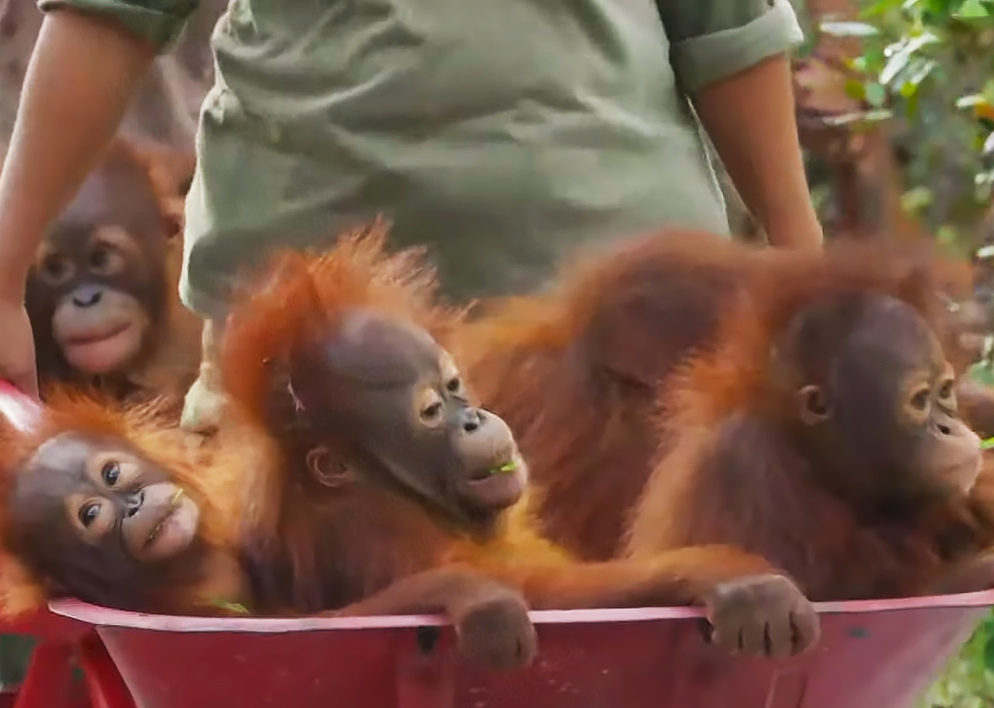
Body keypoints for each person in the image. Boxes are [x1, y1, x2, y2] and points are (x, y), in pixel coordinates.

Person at [0, 0, 821, 413]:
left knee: (631, 667)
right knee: (317, 681)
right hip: (310, 356)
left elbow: (728, 31)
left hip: (624, 343)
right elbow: (107, 19)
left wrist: (803, 268)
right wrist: (4, 277)